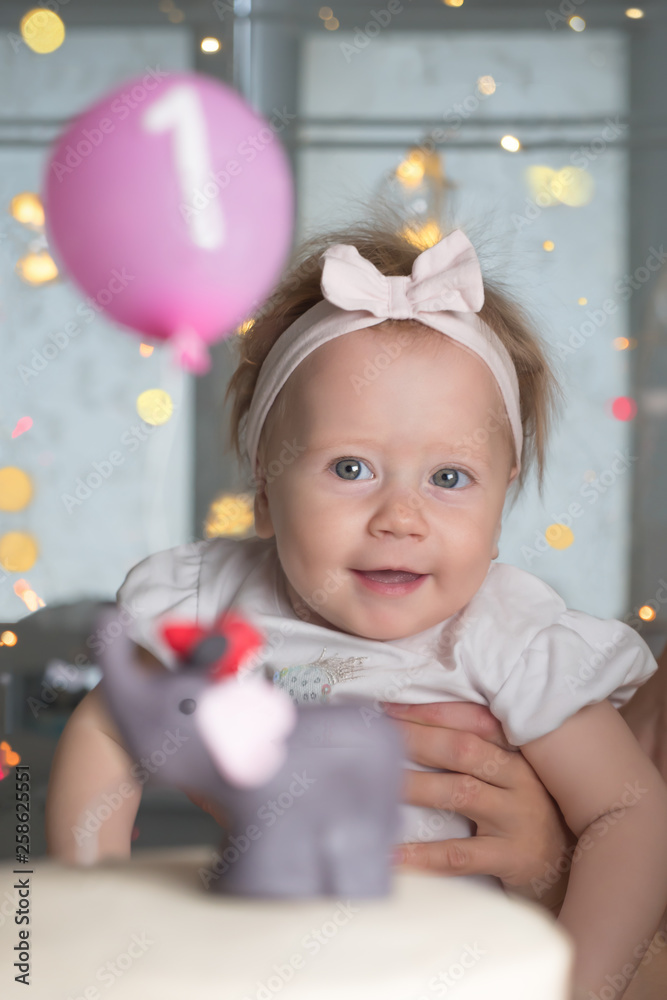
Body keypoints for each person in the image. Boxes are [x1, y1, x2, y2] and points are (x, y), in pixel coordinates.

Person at [46, 223, 667, 999]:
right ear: (264, 489)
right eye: (350, 468)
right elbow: (112, 724)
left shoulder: (509, 641)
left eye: (448, 478)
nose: (399, 517)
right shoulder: (221, 599)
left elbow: (628, 814)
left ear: (501, 502)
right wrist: (94, 913)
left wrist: (576, 986)